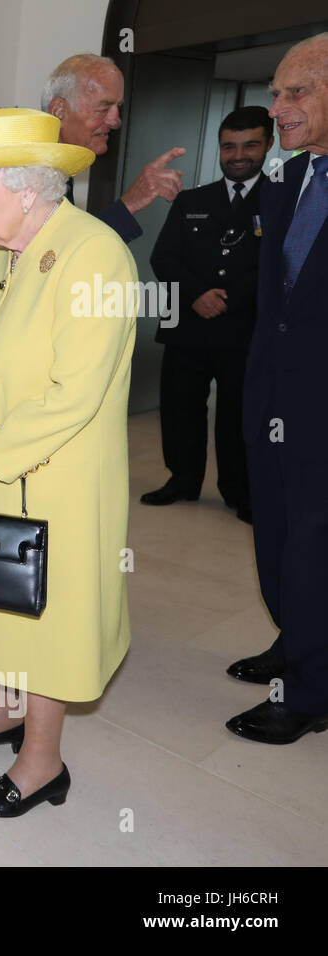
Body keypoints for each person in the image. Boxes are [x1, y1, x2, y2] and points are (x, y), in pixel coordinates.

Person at [0, 108, 137, 816]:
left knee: (45, 612)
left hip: (56, 479)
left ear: (31, 191)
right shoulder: (3, 251)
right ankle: (3, 713)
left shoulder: (96, 256)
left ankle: (42, 764)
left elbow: (77, 394)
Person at [0, 52, 185, 625]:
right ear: (61, 108)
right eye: (104, 105)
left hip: (36, 431)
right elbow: (35, 263)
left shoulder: (73, 225)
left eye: (118, 107)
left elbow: (73, 262)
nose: (114, 120)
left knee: (32, 581)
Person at [225, 33, 328, 744]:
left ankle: (310, 690)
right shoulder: (288, 181)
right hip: (271, 397)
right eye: (277, 91)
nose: (277, 108)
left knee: (316, 544)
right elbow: (274, 304)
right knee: (278, 534)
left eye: (298, 92)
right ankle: (294, 641)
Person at [143, 107, 273, 523]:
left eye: (249, 145)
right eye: (229, 146)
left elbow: (281, 265)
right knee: (180, 408)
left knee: (238, 414)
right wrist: (197, 294)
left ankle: (240, 490)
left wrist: (228, 298)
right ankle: (182, 479)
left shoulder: (281, 201)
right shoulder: (192, 200)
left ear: (267, 145)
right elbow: (163, 257)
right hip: (188, 326)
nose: (238, 155)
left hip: (244, 330)